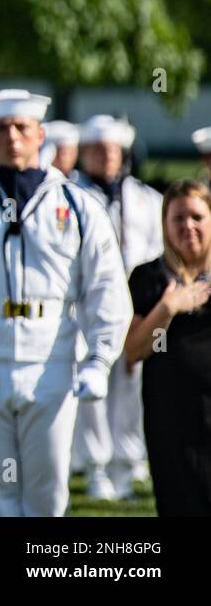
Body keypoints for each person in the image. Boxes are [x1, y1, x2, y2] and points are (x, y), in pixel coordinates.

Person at [0, 89, 130, 516]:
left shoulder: (75, 201)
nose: (12, 137)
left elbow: (105, 283)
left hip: (50, 354)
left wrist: (101, 356)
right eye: (1, 129)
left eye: (22, 128)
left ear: (41, 135)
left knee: (47, 486)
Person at [68, 114, 162, 500]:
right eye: (97, 150)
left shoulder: (146, 199)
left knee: (132, 387)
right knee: (90, 386)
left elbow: (156, 254)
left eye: (112, 150)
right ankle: (95, 467)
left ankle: (127, 464)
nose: (106, 157)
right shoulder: (68, 195)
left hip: (134, 306)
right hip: (85, 306)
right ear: (84, 154)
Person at [123, 180, 211, 515]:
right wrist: (167, 309)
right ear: (164, 224)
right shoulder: (148, 278)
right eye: (178, 218)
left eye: (197, 217)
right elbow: (135, 350)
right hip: (170, 418)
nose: (188, 226)